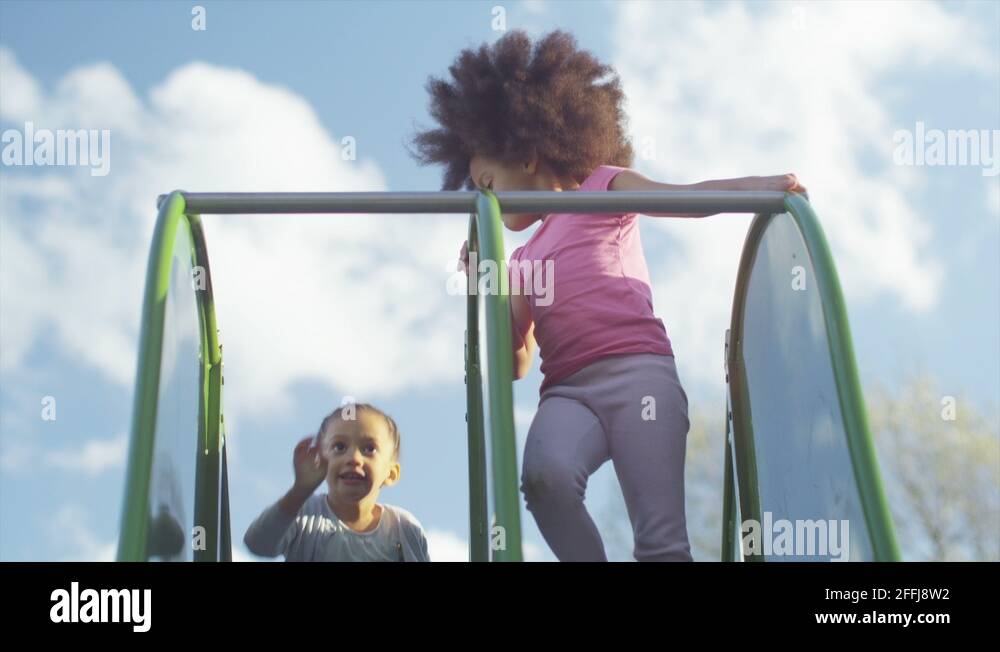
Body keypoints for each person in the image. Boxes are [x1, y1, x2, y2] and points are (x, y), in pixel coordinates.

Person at [406, 29, 806, 561]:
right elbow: (514, 362)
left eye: (486, 183)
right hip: (569, 391)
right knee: (544, 478)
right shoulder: (520, 262)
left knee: (660, 541)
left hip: (641, 375)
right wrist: (489, 284)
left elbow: (683, 201)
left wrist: (761, 187)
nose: (486, 202)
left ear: (525, 154)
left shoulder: (603, 188)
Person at [244, 403, 430, 561]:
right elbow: (258, 544)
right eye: (339, 447)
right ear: (320, 460)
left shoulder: (402, 528)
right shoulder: (305, 515)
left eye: (369, 449)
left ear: (391, 473)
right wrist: (299, 491)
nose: (354, 458)